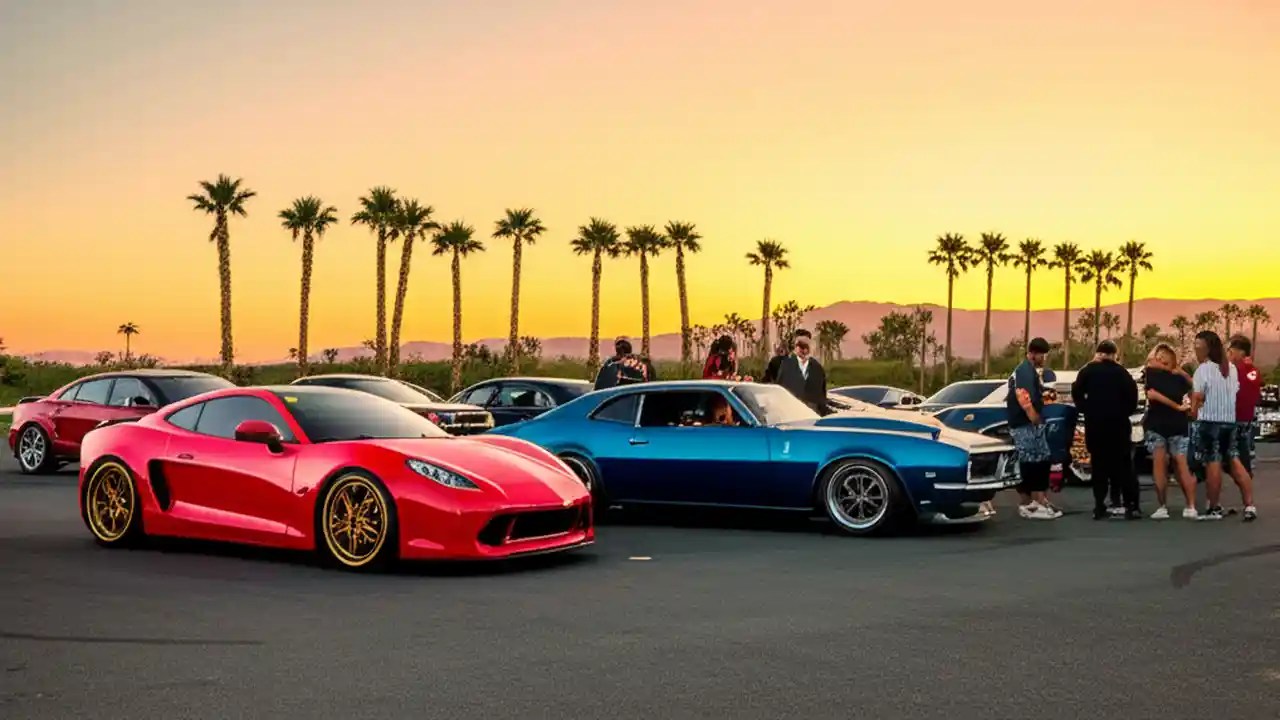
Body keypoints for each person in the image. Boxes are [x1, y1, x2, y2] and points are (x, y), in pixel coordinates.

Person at [1190, 331, 1256, 521]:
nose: (1196, 351)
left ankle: (1214, 507)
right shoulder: (1231, 369)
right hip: (1229, 421)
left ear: (1207, 349)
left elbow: (1198, 397)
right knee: (1234, 461)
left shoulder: (1203, 370)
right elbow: (1234, 391)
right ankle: (1249, 504)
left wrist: (1192, 411)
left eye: (1199, 347)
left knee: (1213, 462)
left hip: (1210, 422)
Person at [1071, 340, 1140, 519]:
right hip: (1118, 425)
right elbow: (1133, 397)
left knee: (1099, 466)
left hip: (1095, 425)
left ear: (1098, 353)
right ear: (1114, 355)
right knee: (1123, 466)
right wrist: (1123, 411)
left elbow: (1076, 392)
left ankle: (1099, 505)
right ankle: (1128, 504)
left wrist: (1086, 408)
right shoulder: (1122, 373)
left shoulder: (1087, 371)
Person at [1141, 343, 1198, 519]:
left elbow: (1154, 395)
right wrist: (1180, 406)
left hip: (1161, 423)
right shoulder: (1172, 377)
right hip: (1173, 423)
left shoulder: (1152, 374)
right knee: (1177, 464)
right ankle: (1187, 505)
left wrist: (1180, 373)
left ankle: (1166, 506)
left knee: (1165, 464)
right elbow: (1194, 386)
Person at [1006, 337, 1061, 519]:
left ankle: (1039, 500)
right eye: (1042, 355)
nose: (1044, 359)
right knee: (1030, 461)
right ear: (1033, 354)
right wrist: (1035, 418)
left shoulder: (1030, 371)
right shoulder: (1024, 372)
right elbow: (1023, 398)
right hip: (1024, 424)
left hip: (1028, 423)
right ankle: (1028, 503)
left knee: (1040, 459)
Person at [1228, 335, 1263, 479]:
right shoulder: (1254, 370)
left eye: (1231, 351)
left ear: (1240, 352)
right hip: (1247, 416)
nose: (1229, 354)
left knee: (1229, 451)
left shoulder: (1235, 370)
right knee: (1243, 447)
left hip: (1235, 416)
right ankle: (1246, 472)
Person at [774, 332, 828, 413]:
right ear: (796, 348)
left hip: (813, 413)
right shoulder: (786, 365)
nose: (804, 350)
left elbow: (822, 395)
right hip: (791, 411)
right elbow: (779, 389)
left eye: (806, 347)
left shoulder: (817, 368)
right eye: (800, 346)